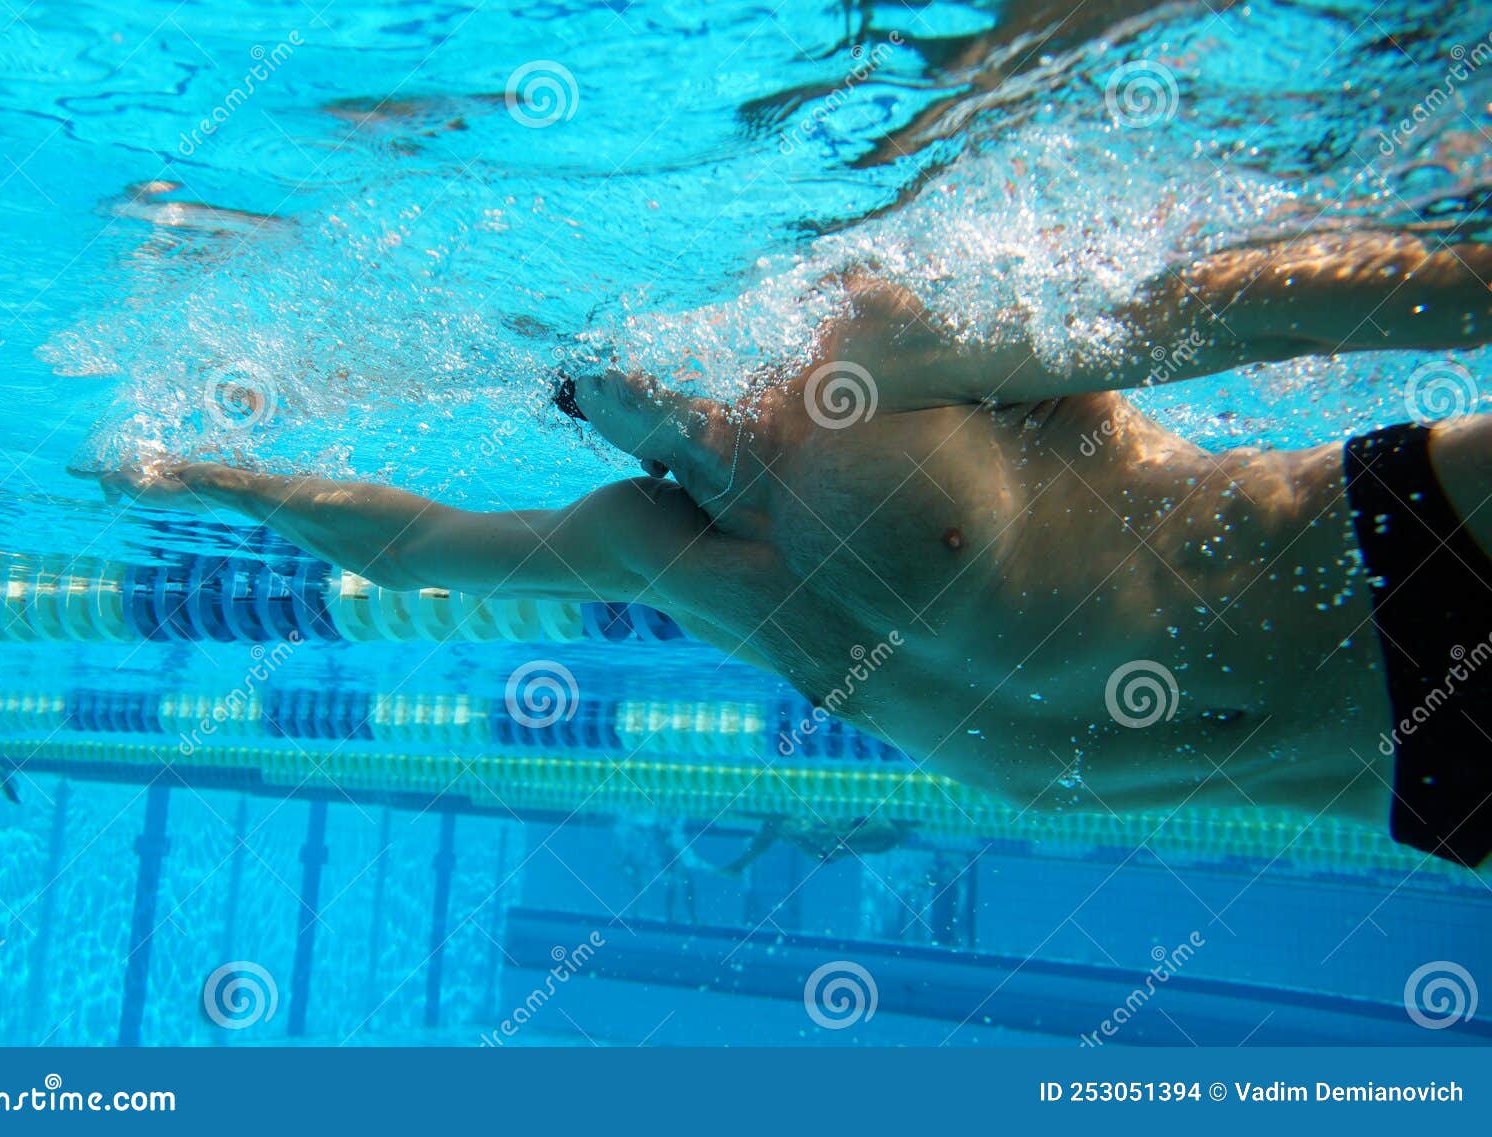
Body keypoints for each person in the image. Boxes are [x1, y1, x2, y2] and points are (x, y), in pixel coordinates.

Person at [81, 224, 1492, 870]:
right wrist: (198, 469)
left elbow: (1204, 317)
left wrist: (1466, 285)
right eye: (593, 392)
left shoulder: (875, 348)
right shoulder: (663, 550)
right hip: (1418, 787)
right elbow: (417, 549)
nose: (630, 400)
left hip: (1397, 546)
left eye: (623, 363)